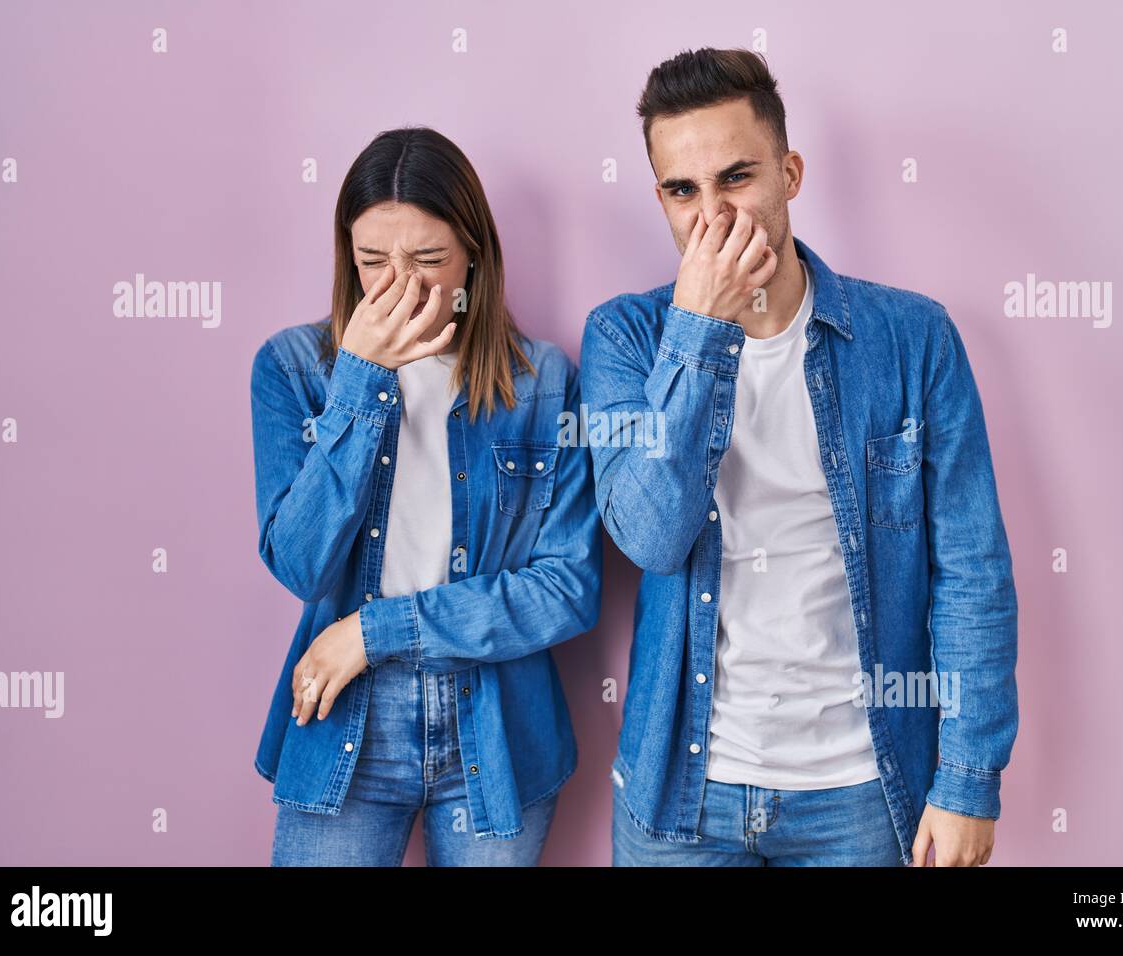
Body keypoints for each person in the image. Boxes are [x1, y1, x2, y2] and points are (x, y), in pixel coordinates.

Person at [579, 48, 1019, 866]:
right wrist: (701, 333)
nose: (711, 215)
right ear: (661, 199)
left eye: (737, 178)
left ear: (790, 172)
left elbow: (971, 570)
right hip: (681, 795)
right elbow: (649, 537)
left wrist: (967, 781)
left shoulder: (912, 340)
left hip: (860, 791)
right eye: (683, 190)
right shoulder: (626, 341)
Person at [250, 126, 602, 866]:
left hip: (498, 730)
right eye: (372, 261)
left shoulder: (541, 382)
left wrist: (376, 631)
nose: (398, 285)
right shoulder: (292, 370)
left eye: (429, 260)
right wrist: (358, 385)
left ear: (474, 254)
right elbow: (302, 567)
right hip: (345, 716)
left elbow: (567, 590)